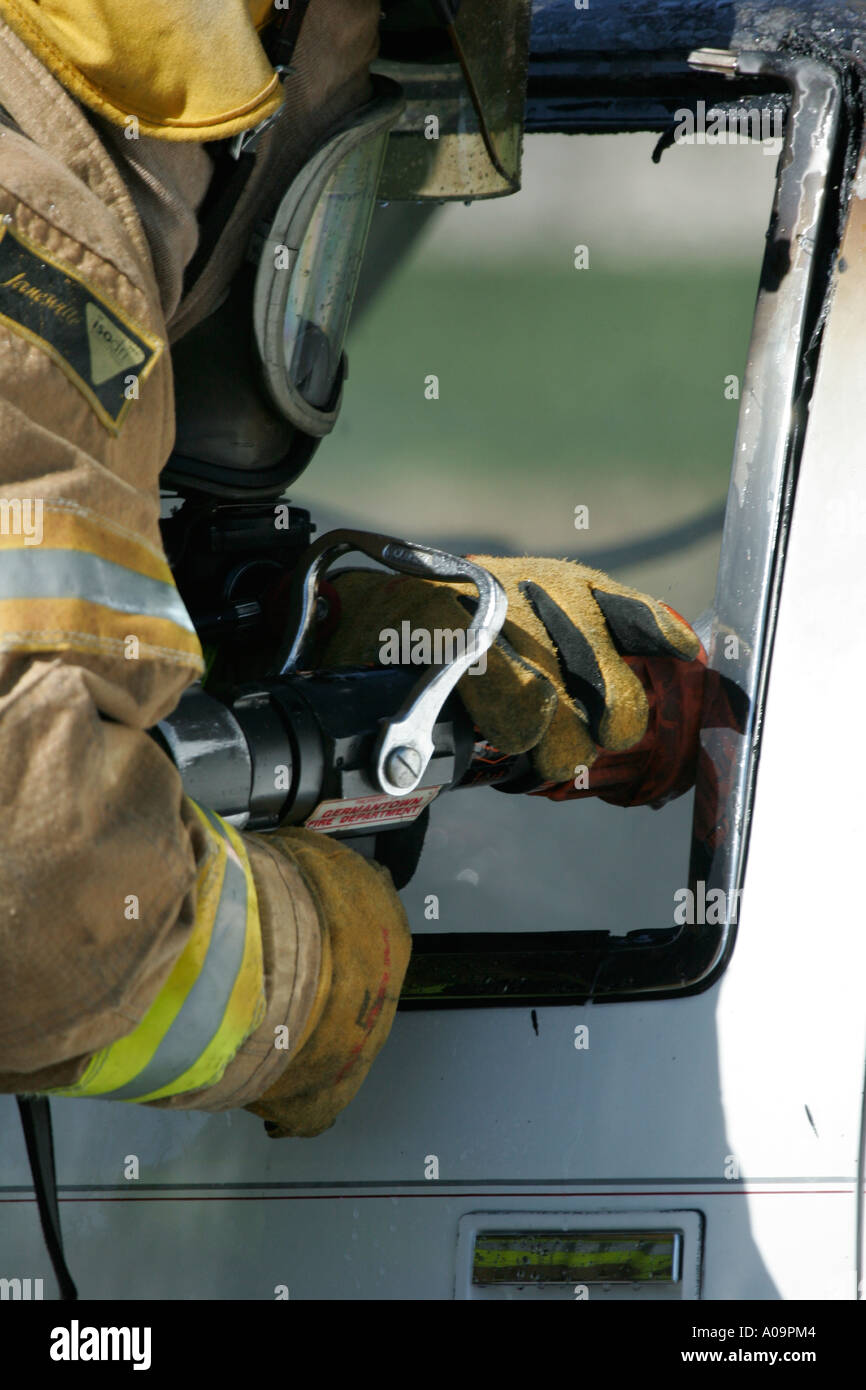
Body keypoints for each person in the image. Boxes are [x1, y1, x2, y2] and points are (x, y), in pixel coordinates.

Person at [0, 0, 699, 1140]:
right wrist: (310, 974)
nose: (357, 71)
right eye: (364, 31)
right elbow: (34, 895)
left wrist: (303, 637)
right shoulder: (32, 238)